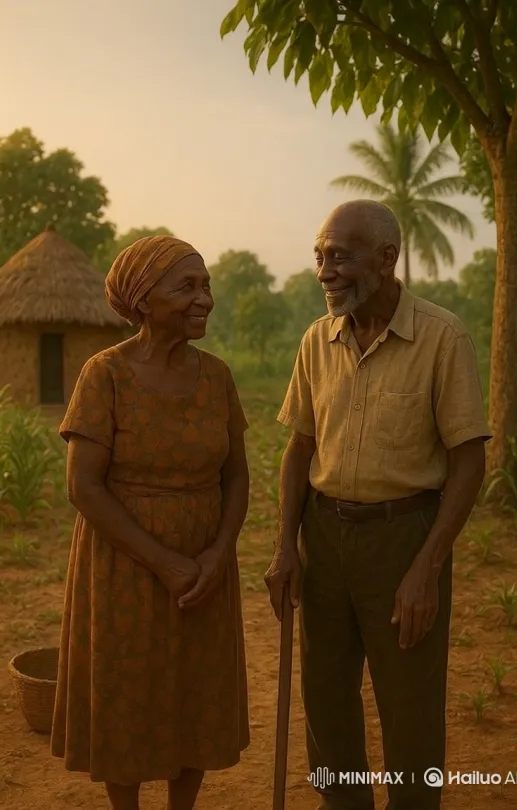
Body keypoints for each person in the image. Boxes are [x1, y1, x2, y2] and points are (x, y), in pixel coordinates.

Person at [265, 201, 491, 810]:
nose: (325, 270)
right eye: (319, 256)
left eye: (339, 255)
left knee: (410, 708)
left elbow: (469, 461)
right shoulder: (318, 339)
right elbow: (299, 448)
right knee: (327, 701)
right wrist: (286, 545)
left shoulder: (443, 337)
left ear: (386, 259)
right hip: (325, 539)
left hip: (405, 539)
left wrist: (428, 568)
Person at [50, 235, 250, 810]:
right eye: (186, 286)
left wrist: (217, 554)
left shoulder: (217, 377)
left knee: (195, 692)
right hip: (125, 567)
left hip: (204, 570)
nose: (204, 299)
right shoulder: (104, 374)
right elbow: (82, 485)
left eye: (206, 285)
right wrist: (163, 561)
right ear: (142, 300)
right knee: (127, 692)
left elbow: (235, 477)